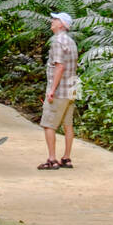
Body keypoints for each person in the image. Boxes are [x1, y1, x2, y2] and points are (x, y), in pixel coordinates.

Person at [37, 11, 78, 170]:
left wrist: (51, 90)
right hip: (72, 88)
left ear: (61, 24)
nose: (52, 21)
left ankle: (52, 159)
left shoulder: (57, 41)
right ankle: (66, 158)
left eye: (55, 19)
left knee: (49, 124)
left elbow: (59, 66)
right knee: (68, 124)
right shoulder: (71, 42)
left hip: (60, 90)